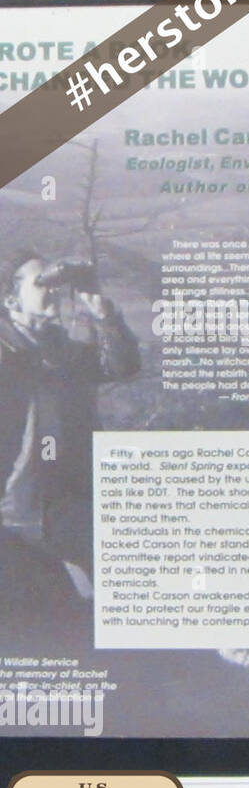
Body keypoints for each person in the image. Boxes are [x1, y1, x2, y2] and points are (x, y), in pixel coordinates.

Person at [0, 250, 140, 592]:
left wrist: (104, 314)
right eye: (41, 282)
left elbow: (121, 366)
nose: (55, 290)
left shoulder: (61, 350)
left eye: (55, 283)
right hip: (22, 506)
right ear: (9, 299)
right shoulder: (7, 354)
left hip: (69, 496)